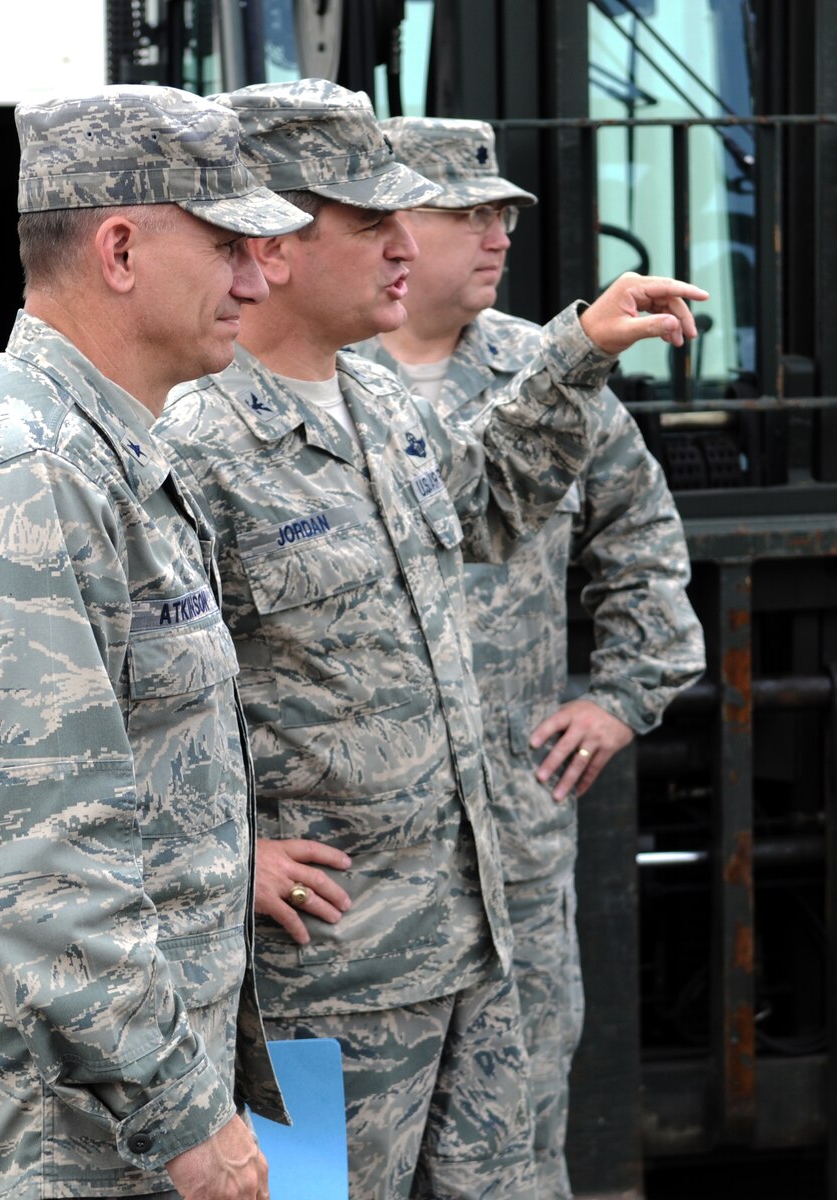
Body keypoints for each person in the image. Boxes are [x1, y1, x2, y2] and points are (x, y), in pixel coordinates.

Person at [153, 78, 706, 1200]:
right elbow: (109, 709)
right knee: (314, 1195)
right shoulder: (187, 442)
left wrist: (579, 350)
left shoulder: (377, 403)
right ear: (272, 239)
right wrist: (215, 859)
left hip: (473, 944)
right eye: (372, 222)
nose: (405, 247)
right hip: (319, 985)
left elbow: (490, 499)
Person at [0, 85, 313, 1200]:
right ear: (120, 248)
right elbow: (42, 863)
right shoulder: (33, 473)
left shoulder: (103, 452)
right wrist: (187, 1118)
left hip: (114, 1107)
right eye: (227, 247)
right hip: (63, 1138)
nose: (257, 281)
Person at [355, 116, 707, 1199]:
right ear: (388, 228)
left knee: (510, 1147)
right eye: (465, 210)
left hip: (508, 843)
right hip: (345, 883)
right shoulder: (303, 385)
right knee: (323, 1157)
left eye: (501, 211)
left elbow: (641, 542)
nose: (495, 232)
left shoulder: (547, 376)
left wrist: (622, 694)